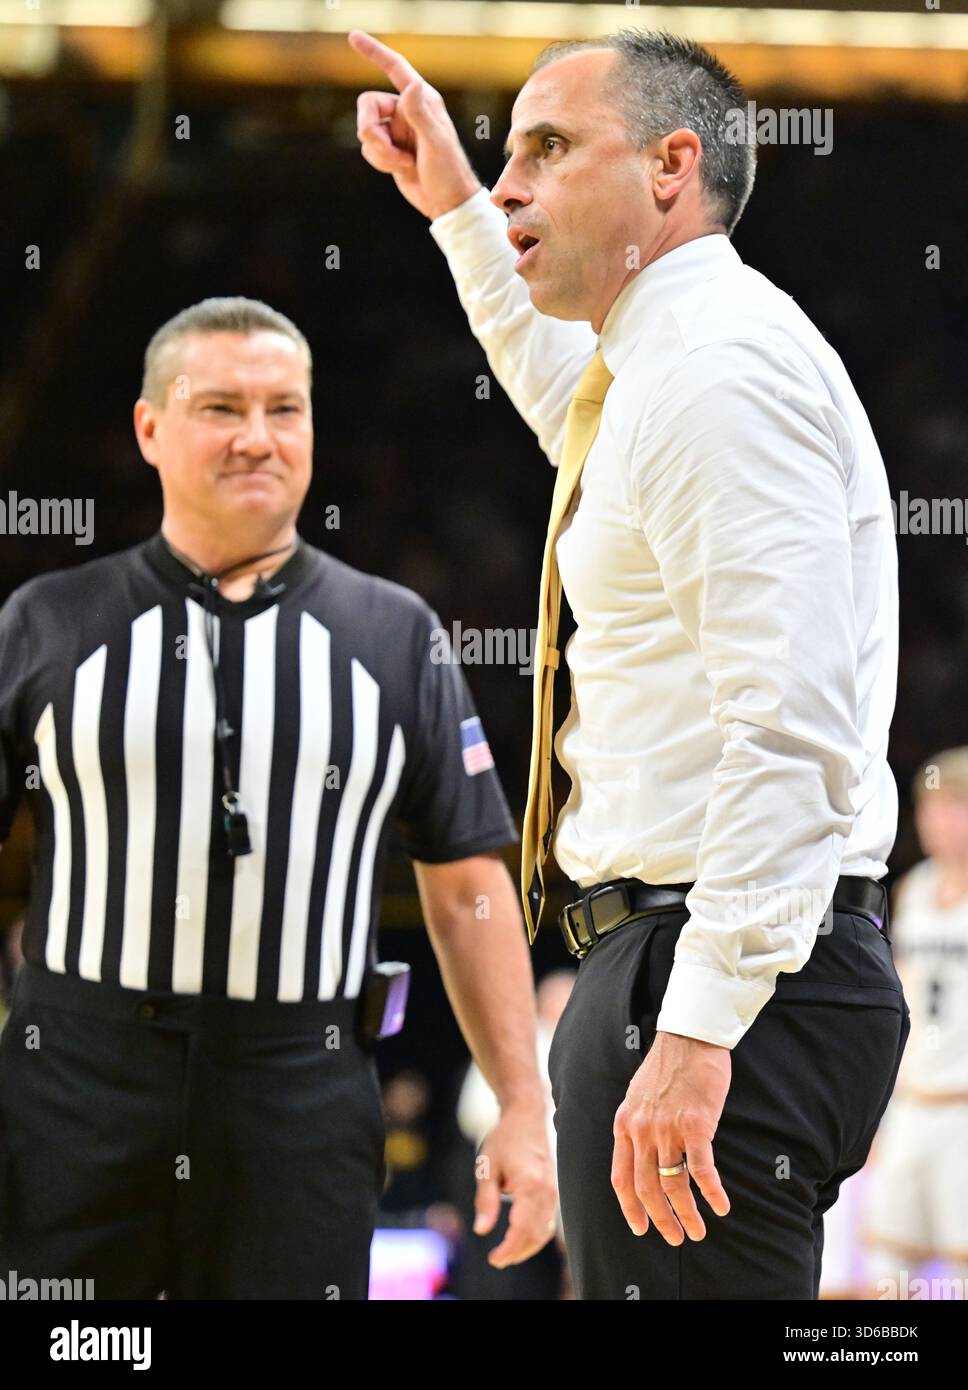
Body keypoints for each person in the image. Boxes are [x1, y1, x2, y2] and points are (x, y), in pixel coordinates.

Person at [350, 26, 910, 1298]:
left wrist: (700, 1026)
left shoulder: (715, 371)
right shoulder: (660, 363)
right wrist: (450, 213)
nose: (509, 183)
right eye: (505, 156)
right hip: (693, 968)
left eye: (547, 148)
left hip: (715, 983)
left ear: (671, 166)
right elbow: (572, 411)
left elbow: (790, 725)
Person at [0, 295, 556, 1299]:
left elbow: (468, 883)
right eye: (220, 406)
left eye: (284, 408)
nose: (257, 436)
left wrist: (522, 1103)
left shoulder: (397, 637)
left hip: (300, 1091)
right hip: (73, 1086)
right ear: (150, 428)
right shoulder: (49, 624)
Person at [861, 747, 968, 1296]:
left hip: (964, 1107)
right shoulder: (913, 888)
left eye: (952, 807)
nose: (935, 821)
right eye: (929, 808)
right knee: (889, 1261)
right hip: (912, 1102)